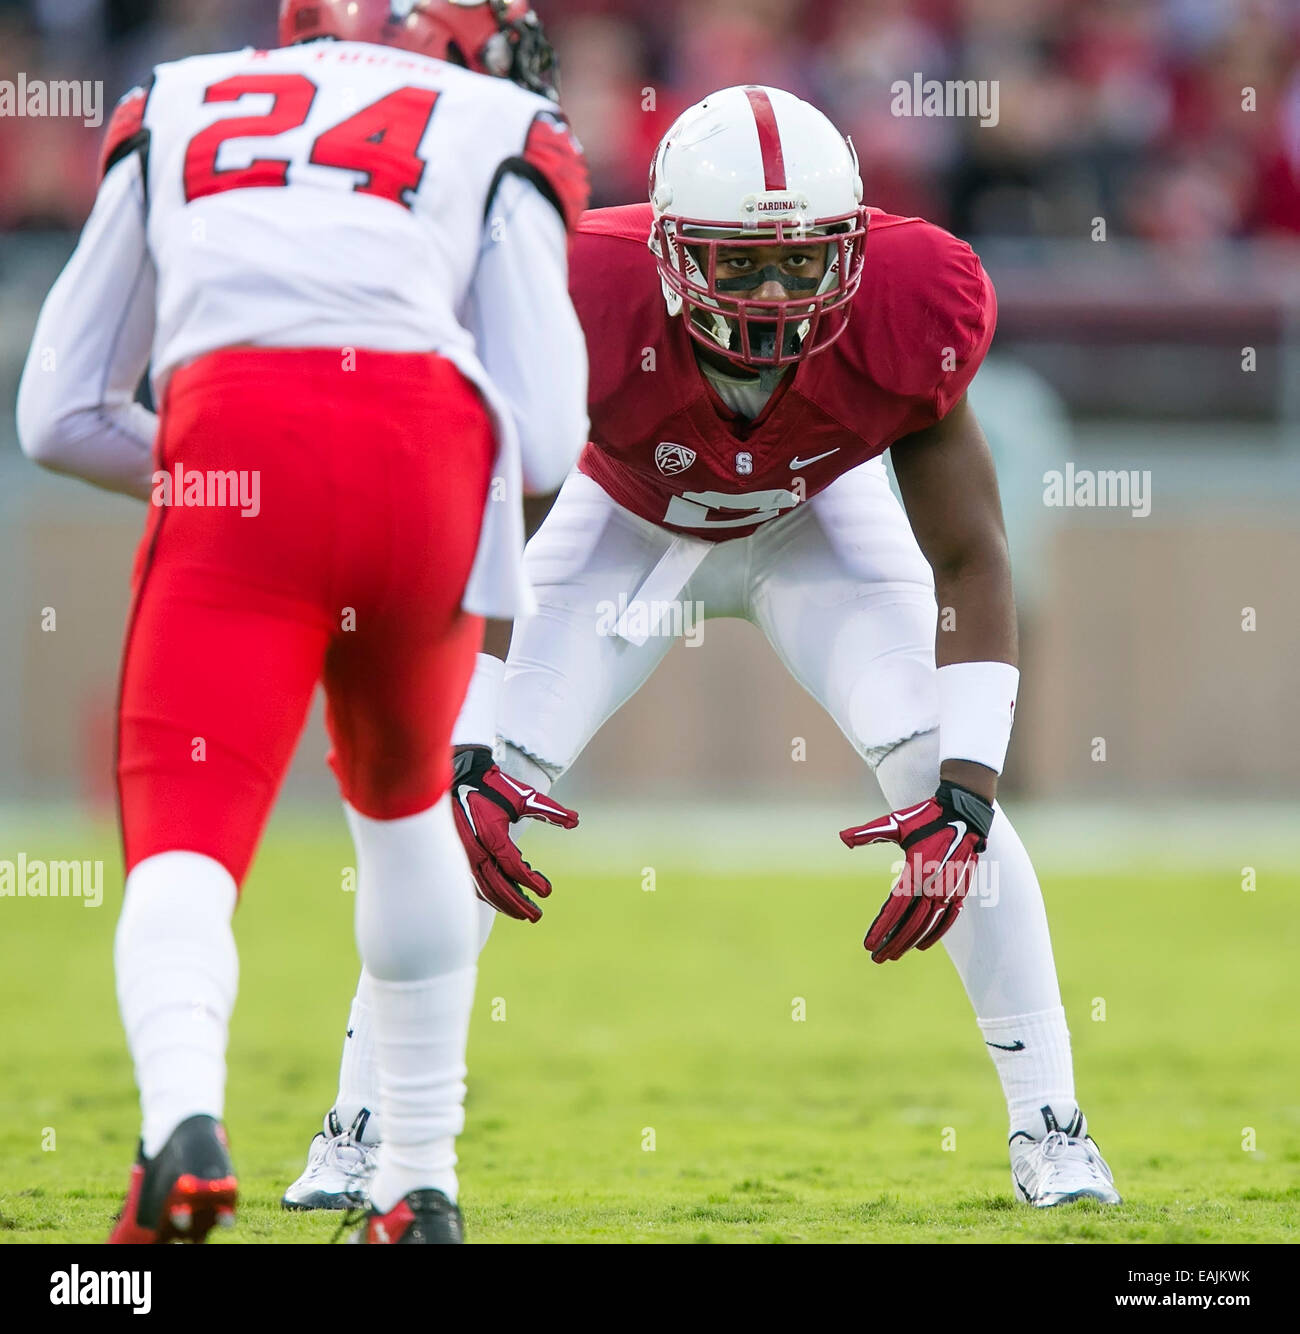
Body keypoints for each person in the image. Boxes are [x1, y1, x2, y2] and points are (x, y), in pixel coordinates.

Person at [287, 83, 1120, 1215]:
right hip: (616, 523)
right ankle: (359, 1123)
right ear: (674, 250)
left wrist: (968, 791)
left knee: (946, 800)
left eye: (803, 260)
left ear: (856, 244)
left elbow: (971, 557)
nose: (776, 293)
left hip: (819, 520)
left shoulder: (909, 298)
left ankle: (1054, 1128)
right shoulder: (578, 289)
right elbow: (487, 530)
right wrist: (468, 747)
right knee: (469, 810)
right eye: (741, 263)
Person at [16, 0, 589, 1245]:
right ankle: (418, 1187)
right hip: (427, 457)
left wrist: (223, 472)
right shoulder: (507, 123)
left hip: (234, 425)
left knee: (186, 836)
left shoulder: (170, 97)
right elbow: (546, 437)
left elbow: (57, 411)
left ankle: (183, 1125)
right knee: (401, 807)